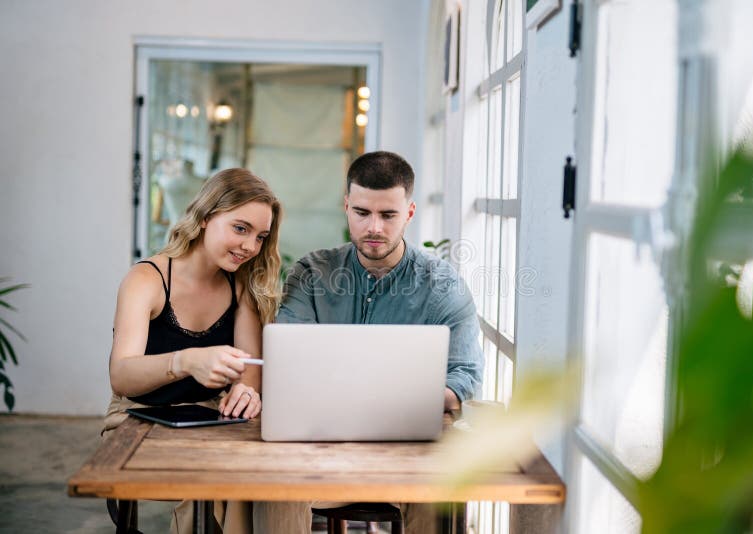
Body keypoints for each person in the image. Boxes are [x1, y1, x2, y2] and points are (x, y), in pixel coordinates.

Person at [256, 151, 483, 533]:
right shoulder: (311, 273)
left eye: (388, 215)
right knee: (278, 489)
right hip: (319, 451)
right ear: (346, 206)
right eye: (361, 212)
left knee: (437, 493)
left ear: (409, 213)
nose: (373, 227)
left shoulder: (443, 285)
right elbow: (288, 367)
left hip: (406, 455)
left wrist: (399, 398)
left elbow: (466, 379)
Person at [105, 168, 283, 533]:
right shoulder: (147, 280)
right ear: (205, 218)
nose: (250, 246)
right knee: (215, 477)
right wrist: (185, 361)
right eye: (240, 228)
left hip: (208, 418)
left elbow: (250, 369)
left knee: (248, 471)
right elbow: (121, 376)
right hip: (138, 418)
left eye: (261, 236)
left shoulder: (242, 287)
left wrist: (245, 391)